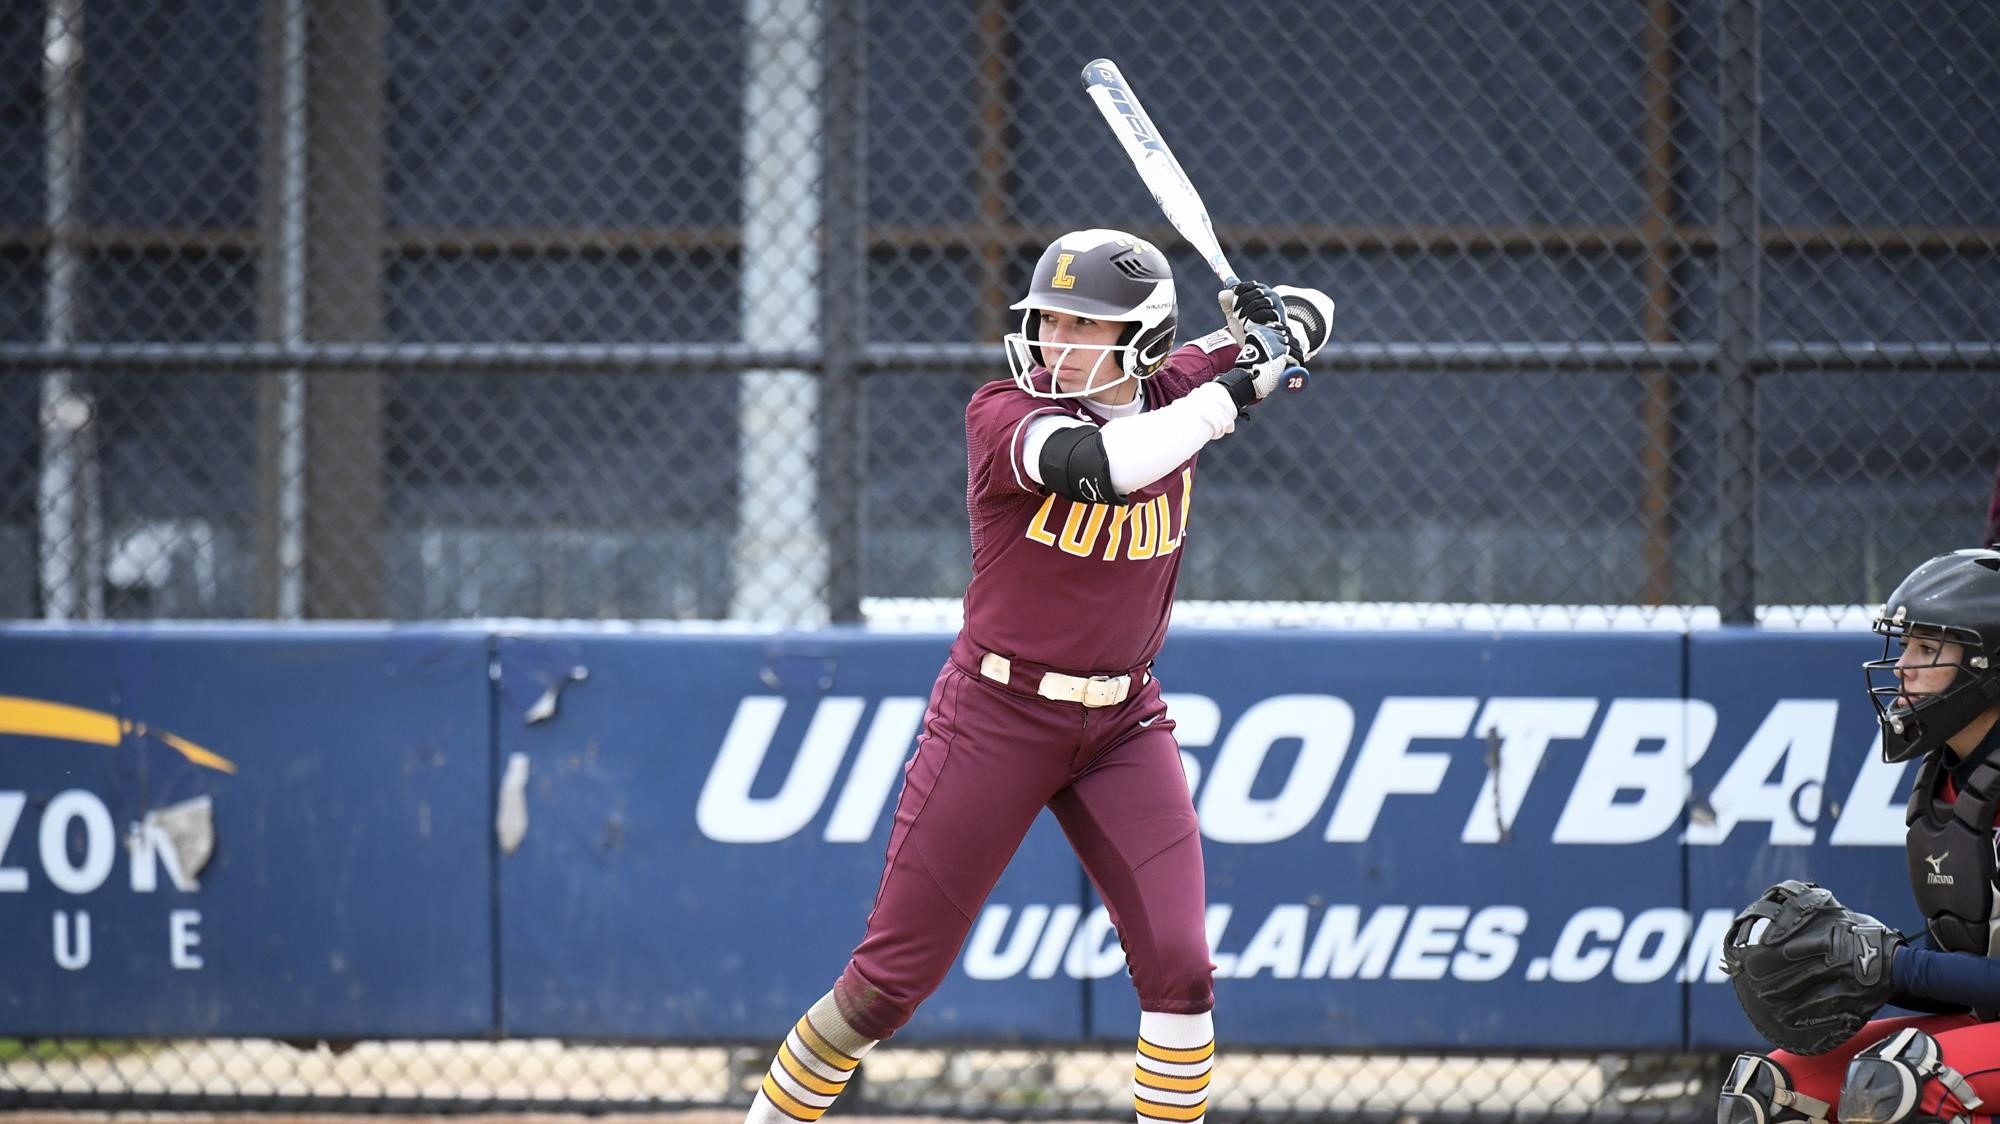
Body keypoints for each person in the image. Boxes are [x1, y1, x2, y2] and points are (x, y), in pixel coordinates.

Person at [738, 229, 1335, 1124]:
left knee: (1181, 968)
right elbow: (1104, 467)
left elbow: (1314, 310)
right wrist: (1236, 390)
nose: (1057, 344)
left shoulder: (1174, 388)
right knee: (888, 988)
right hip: (997, 716)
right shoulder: (1005, 414)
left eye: (1084, 326)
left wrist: (1269, 323)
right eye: (1047, 320)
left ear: (1142, 338)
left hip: (1125, 722)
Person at [1721, 547, 2000, 1124]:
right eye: (1905, 647)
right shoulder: (1952, 776)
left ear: (1988, 666)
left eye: (1927, 649)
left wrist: (1895, 967)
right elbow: (1978, 958)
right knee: (1770, 1093)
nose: (1902, 667)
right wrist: (1861, 966)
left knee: (1904, 1082)